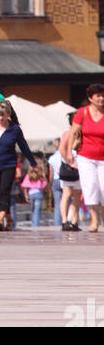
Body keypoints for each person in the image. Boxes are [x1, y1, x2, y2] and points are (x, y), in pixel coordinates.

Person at [0, 99, 36, 231]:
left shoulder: (14, 129)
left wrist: (33, 162)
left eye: (3, 115)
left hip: (8, 165)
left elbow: (23, 146)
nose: (0, 118)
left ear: (8, 114)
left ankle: (0, 217)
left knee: (4, 190)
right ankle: (8, 218)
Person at [68, 83, 104, 233]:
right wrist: (70, 152)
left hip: (103, 158)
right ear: (90, 98)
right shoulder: (82, 112)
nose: (102, 98)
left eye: (103, 95)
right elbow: (74, 132)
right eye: (98, 96)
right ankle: (94, 219)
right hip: (85, 156)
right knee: (90, 187)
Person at [57, 114, 82, 231]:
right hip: (68, 167)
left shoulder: (80, 133)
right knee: (66, 194)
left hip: (79, 167)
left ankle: (73, 221)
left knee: (78, 196)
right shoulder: (68, 132)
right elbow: (61, 148)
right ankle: (64, 220)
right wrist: (69, 161)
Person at [21, 162, 47, 228]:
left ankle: (34, 223)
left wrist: (26, 195)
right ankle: (36, 225)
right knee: (37, 210)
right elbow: (45, 185)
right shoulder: (41, 175)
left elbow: (24, 186)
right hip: (38, 193)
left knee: (33, 209)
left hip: (31, 194)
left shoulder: (28, 175)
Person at [47, 138, 64, 227]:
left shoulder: (52, 158)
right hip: (66, 180)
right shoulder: (65, 155)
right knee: (67, 202)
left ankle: (57, 224)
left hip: (56, 180)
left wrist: (50, 183)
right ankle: (67, 221)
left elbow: (51, 173)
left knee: (57, 204)